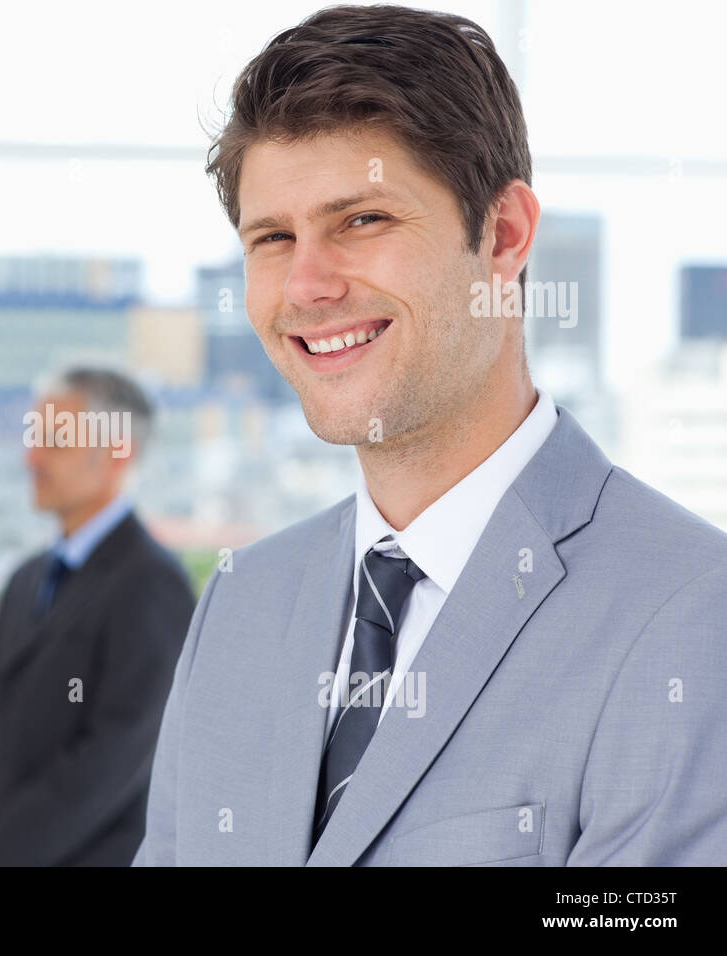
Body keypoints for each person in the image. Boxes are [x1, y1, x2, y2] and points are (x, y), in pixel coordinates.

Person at [135, 5, 727, 866]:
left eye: (362, 221)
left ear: (505, 236)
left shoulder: (690, 614)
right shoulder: (241, 603)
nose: (306, 285)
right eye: (273, 237)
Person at [0, 367, 196, 866]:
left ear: (118, 453)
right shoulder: (24, 579)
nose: (31, 458)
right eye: (33, 438)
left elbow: (117, 756)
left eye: (55, 441)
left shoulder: (152, 583)